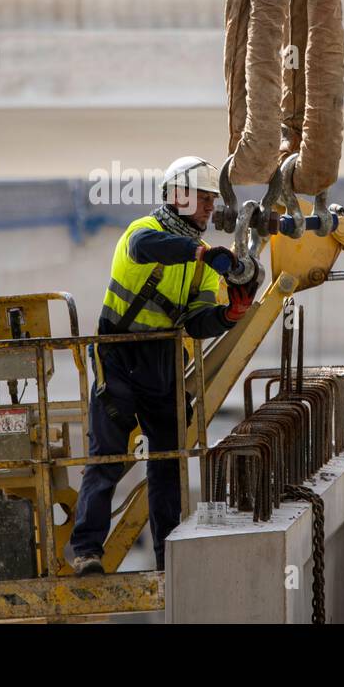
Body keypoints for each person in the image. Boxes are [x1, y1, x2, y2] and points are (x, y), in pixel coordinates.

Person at [68, 156, 259, 575]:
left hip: (162, 362)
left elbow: (198, 320)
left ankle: (166, 558)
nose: (211, 207)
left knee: (168, 461)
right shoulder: (145, 232)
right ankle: (86, 551)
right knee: (108, 457)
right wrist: (202, 253)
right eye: (204, 198)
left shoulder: (205, 269)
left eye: (212, 199)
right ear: (179, 197)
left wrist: (231, 315)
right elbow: (144, 250)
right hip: (117, 354)